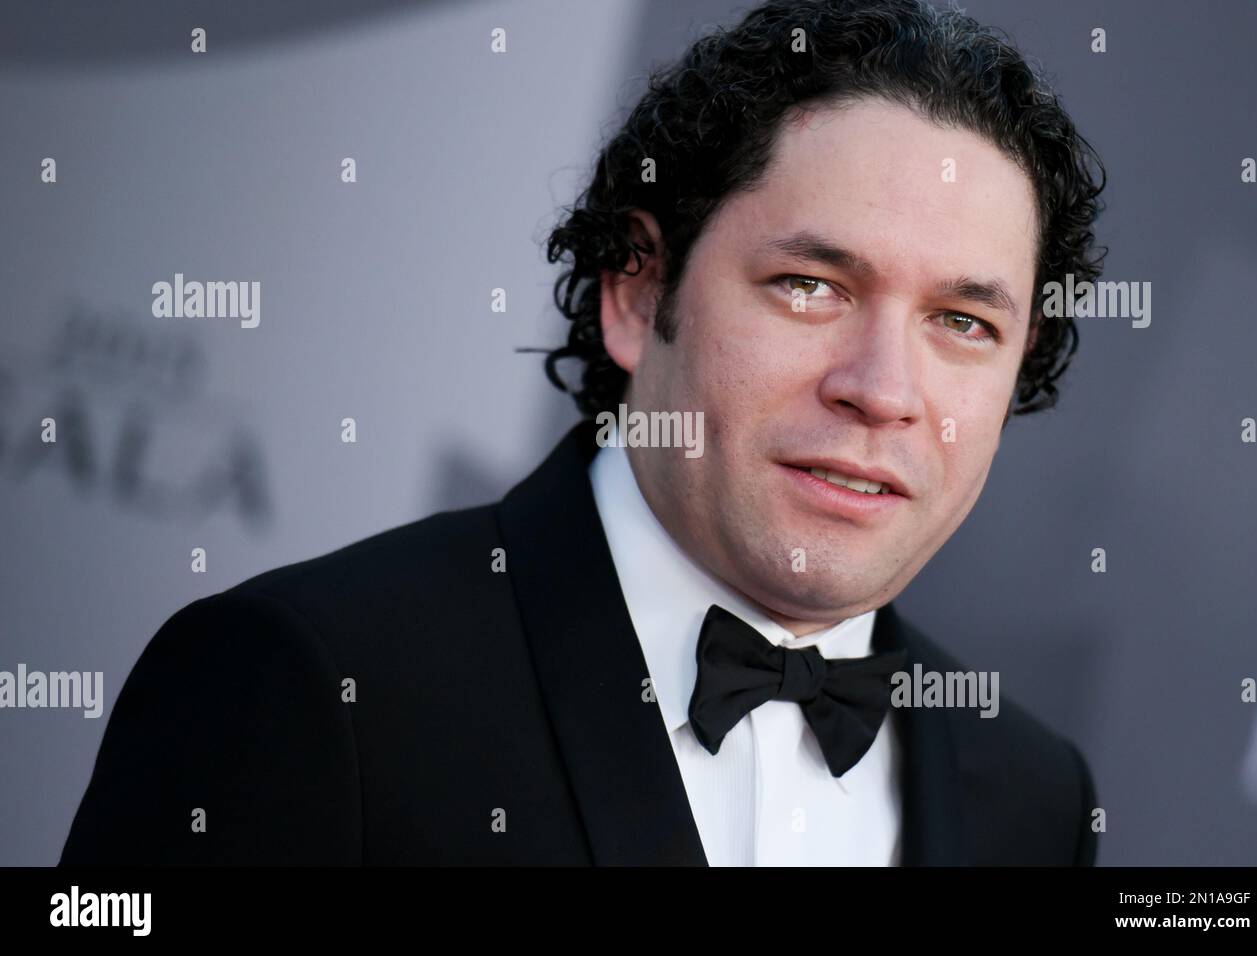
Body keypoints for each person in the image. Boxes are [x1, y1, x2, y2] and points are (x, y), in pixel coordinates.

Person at [61, 0, 1106, 866]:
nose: (883, 389)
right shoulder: (308, 682)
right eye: (808, 285)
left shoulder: (1033, 796)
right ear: (633, 288)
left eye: (963, 323)